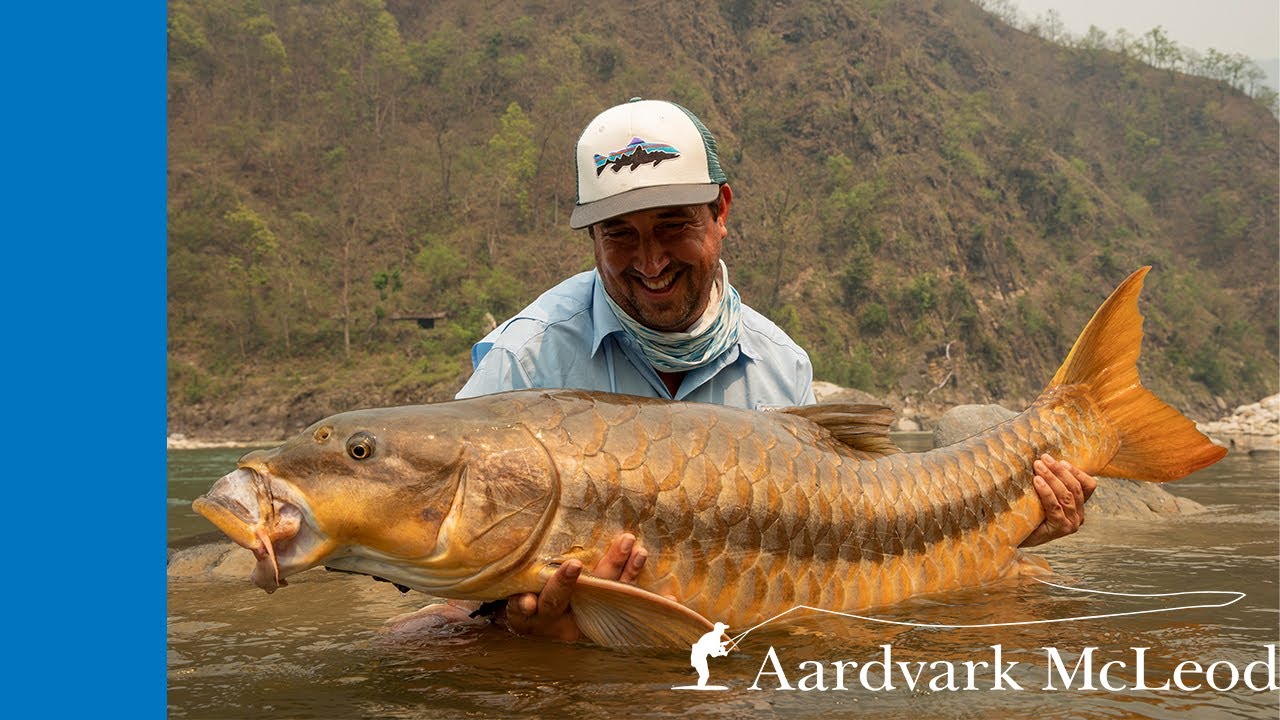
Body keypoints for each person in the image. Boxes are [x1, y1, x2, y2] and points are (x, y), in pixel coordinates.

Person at [446, 98, 1096, 642]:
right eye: (619, 234)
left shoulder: (778, 364)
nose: (649, 262)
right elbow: (435, 596)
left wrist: (1011, 521)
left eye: (673, 226)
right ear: (591, 239)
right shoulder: (524, 360)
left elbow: (842, 558)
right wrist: (503, 623)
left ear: (721, 211)